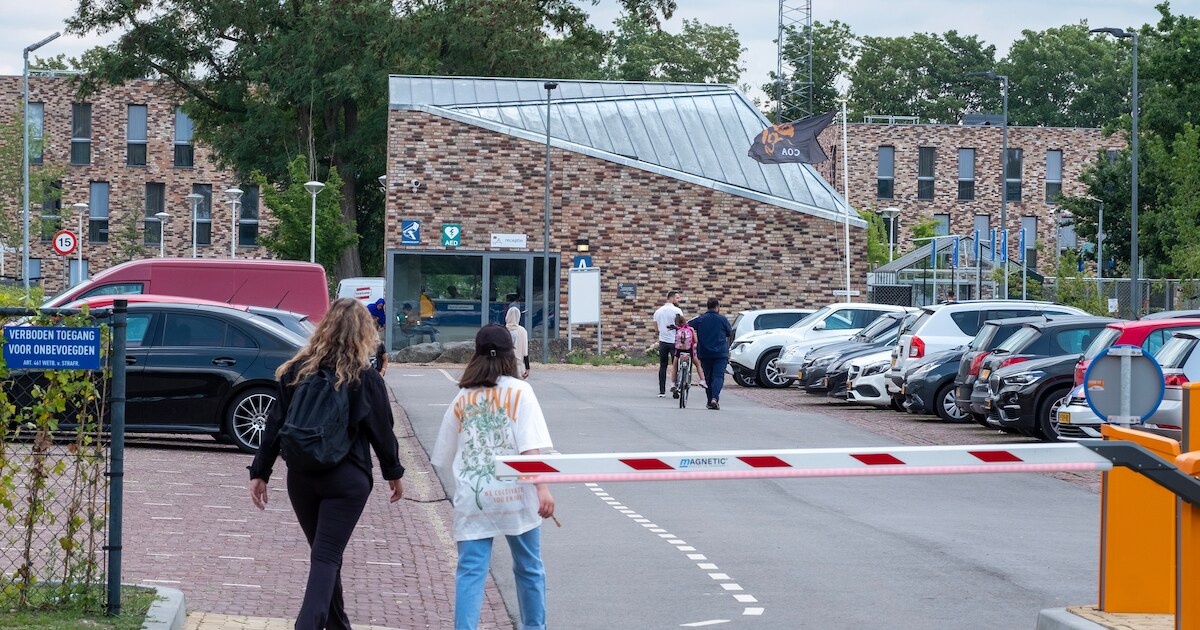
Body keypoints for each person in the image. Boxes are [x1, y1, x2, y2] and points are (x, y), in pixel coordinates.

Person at [247, 298, 405, 630]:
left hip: (301, 477)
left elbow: (275, 424)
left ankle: (337, 625)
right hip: (347, 479)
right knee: (326, 556)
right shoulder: (365, 377)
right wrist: (393, 472)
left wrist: (260, 472)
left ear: (324, 327)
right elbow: (381, 429)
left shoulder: (295, 371)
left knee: (325, 556)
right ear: (365, 333)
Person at [431, 324, 555, 630]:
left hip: (475, 495)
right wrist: (542, 488)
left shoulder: (463, 396)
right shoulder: (521, 391)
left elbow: (444, 453)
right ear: (510, 356)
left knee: (471, 571)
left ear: (476, 356)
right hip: (517, 495)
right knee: (528, 567)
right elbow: (529, 447)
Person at [690, 297, 734, 411]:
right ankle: (715, 398)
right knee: (718, 376)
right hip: (720, 353)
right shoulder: (722, 319)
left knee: (708, 377)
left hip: (705, 353)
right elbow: (729, 332)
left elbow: (688, 326)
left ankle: (709, 401)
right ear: (717, 307)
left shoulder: (700, 319)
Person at [652, 290, 683, 397]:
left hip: (663, 341)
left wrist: (662, 332)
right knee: (676, 365)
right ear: (671, 298)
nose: (679, 300)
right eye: (677, 298)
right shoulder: (677, 311)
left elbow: (656, 328)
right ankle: (676, 387)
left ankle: (662, 391)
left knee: (663, 366)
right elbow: (681, 326)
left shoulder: (658, 311)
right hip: (674, 342)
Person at [670, 313, 706, 398]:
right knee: (698, 364)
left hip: (679, 351)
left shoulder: (677, 329)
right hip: (689, 351)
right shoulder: (690, 329)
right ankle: (702, 380)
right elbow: (696, 341)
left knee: (674, 366)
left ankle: (672, 383)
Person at [506, 305, 531, 379]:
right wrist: (527, 367)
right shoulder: (522, 331)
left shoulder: (503, 330)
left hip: (505, 363)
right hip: (518, 364)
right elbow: (525, 351)